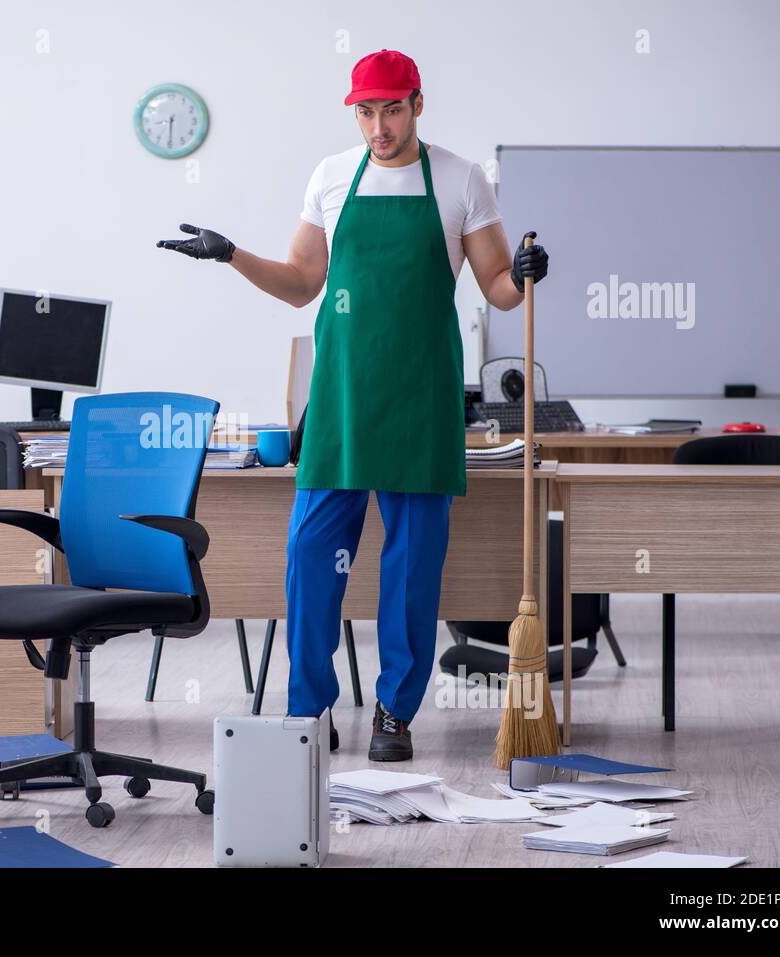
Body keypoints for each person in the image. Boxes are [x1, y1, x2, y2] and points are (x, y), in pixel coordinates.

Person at [158, 48, 548, 761]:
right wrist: (232, 254)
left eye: (391, 109)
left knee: (411, 566)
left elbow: (495, 285)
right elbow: (304, 282)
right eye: (365, 111)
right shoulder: (332, 177)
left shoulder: (462, 180)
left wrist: (522, 277)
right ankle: (307, 711)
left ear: (418, 104)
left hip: (422, 400)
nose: (378, 127)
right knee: (311, 554)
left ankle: (395, 714)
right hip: (339, 399)